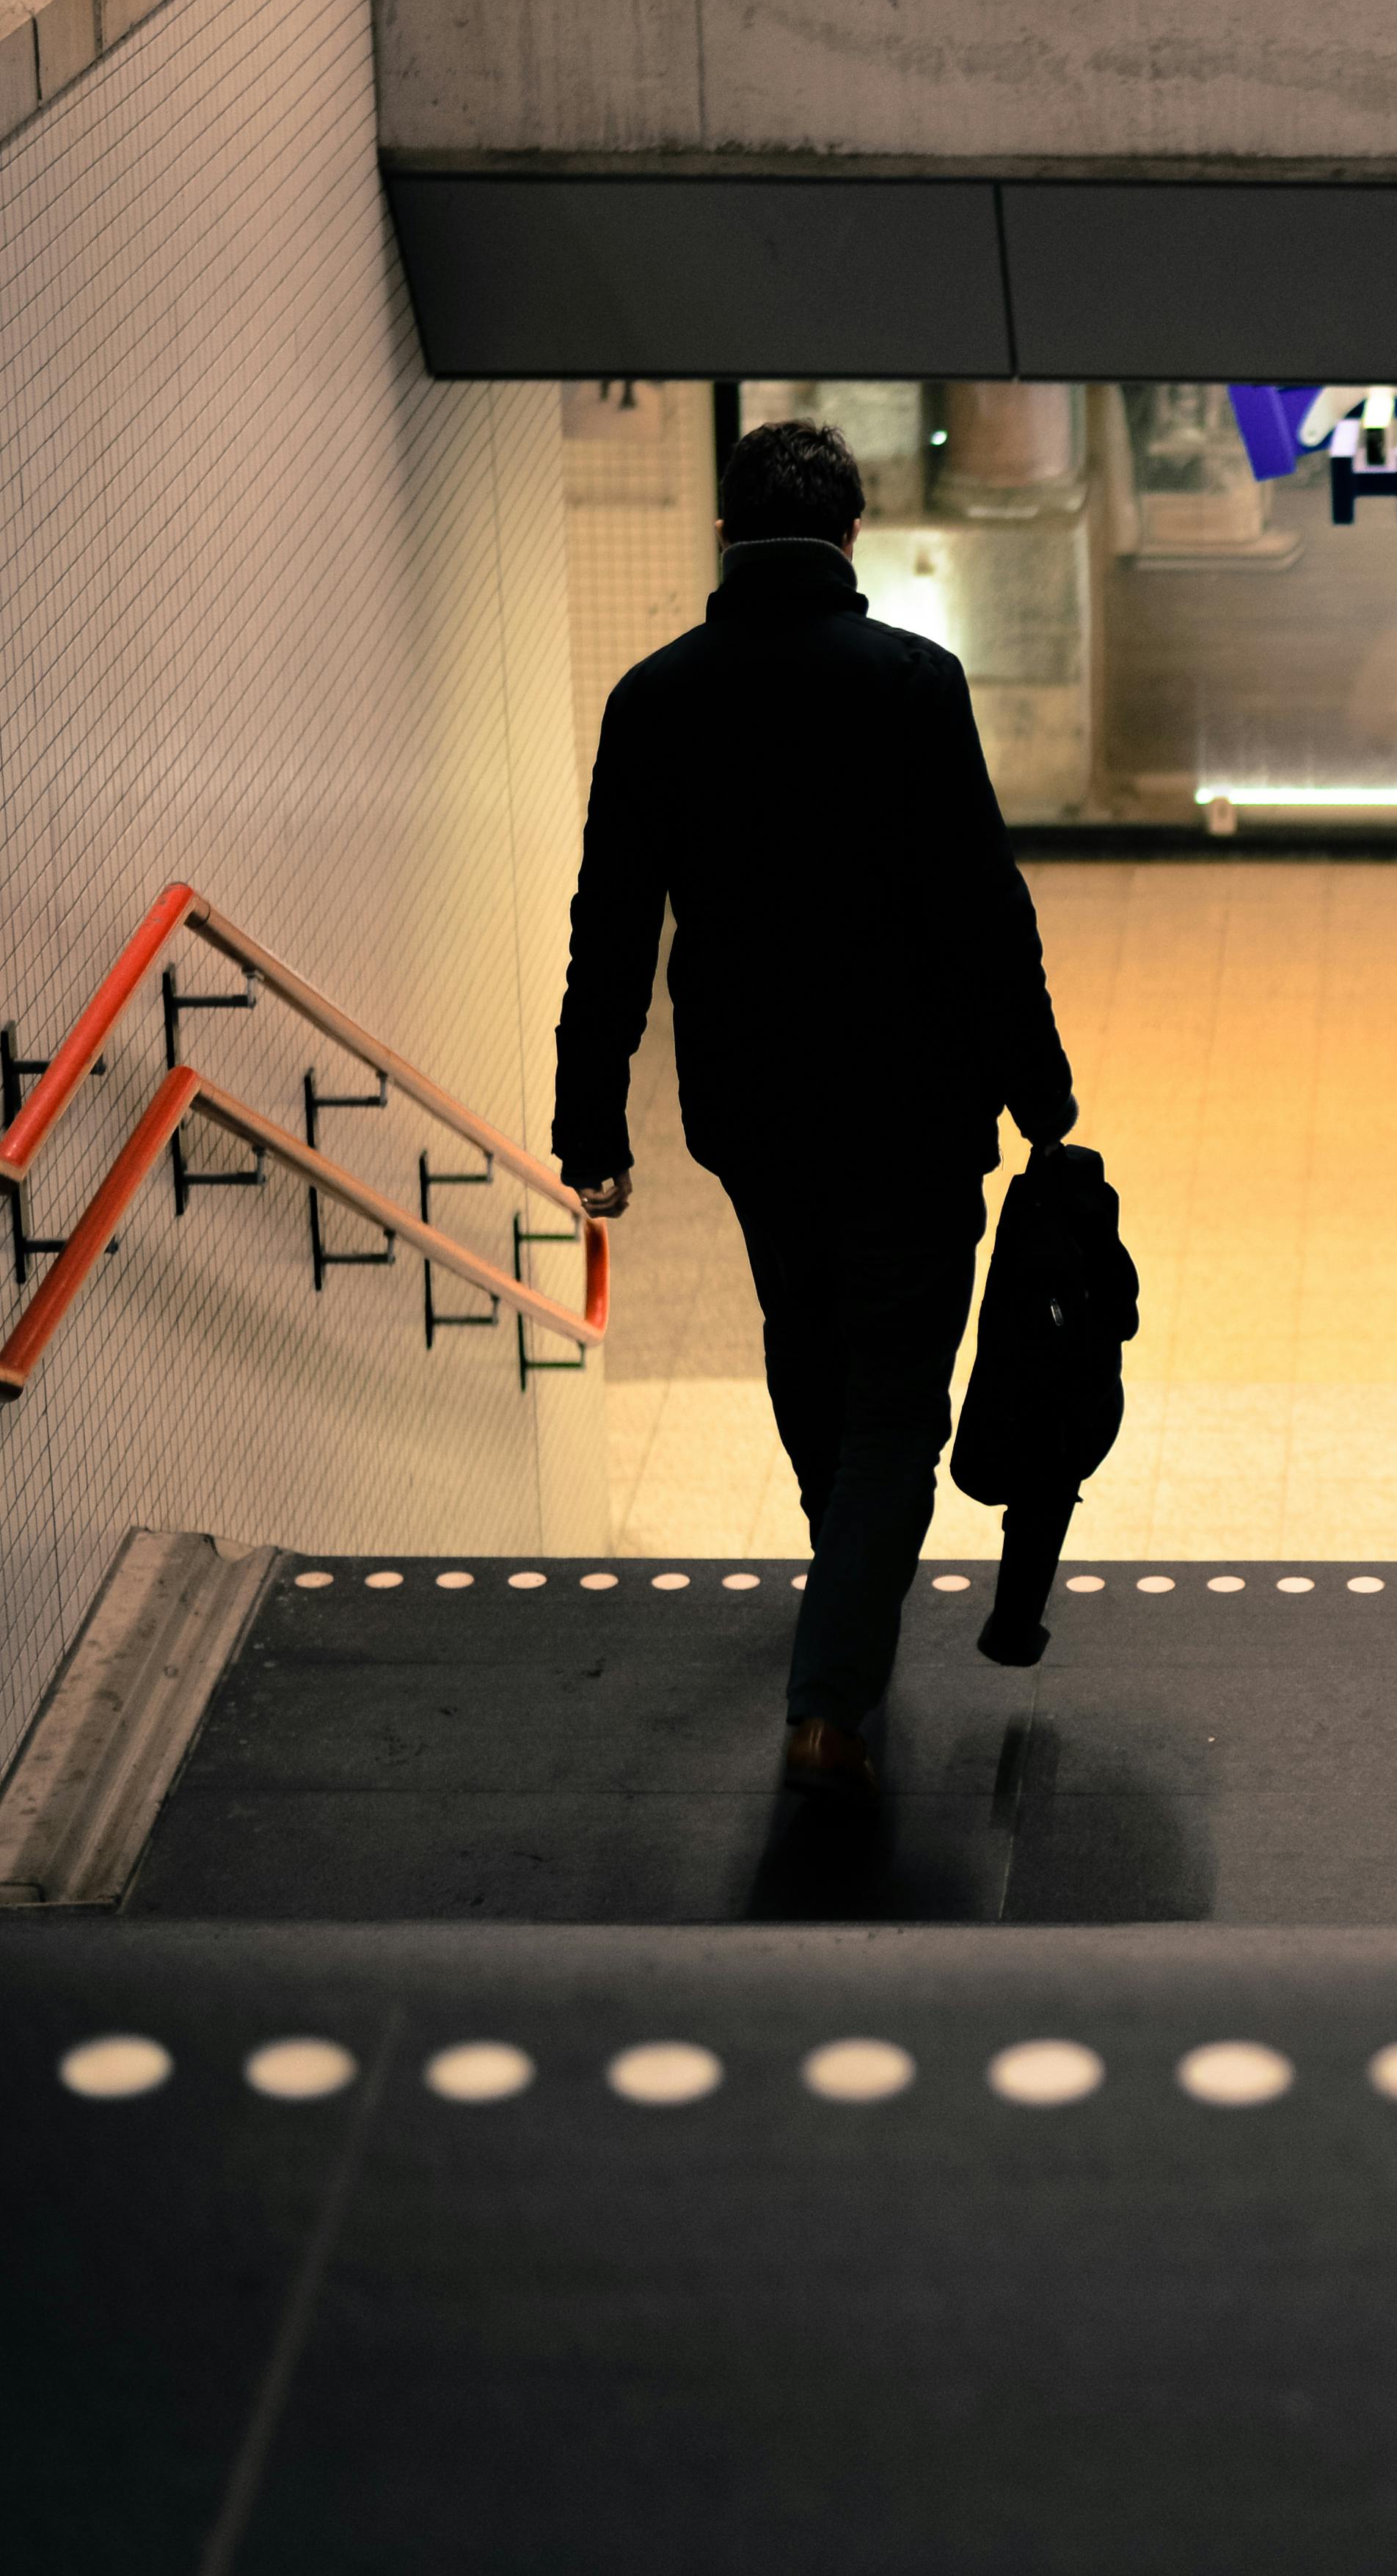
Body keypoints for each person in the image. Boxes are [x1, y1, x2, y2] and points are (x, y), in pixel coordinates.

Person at [550, 416, 1076, 1795]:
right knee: (896, 1404)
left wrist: (589, 1123)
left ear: (726, 534)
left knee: (807, 1342)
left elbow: (611, 926)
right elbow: (983, 909)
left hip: (756, 1110)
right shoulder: (911, 682)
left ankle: (841, 1572)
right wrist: (1039, 1086)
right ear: (852, 537)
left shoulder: (655, 697)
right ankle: (830, 1704)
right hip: (914, 1107)